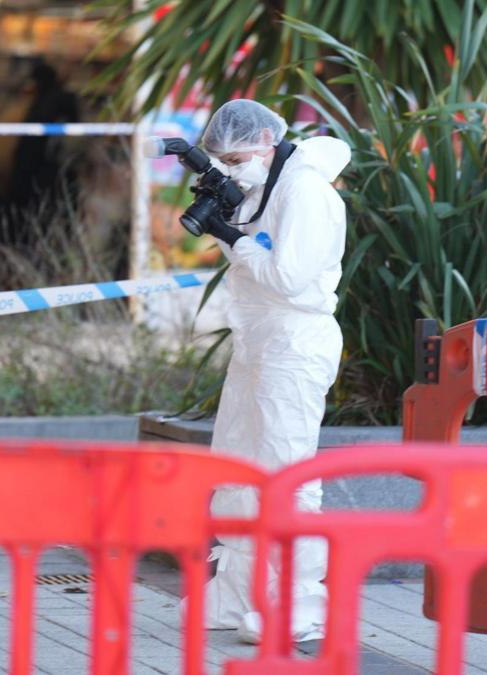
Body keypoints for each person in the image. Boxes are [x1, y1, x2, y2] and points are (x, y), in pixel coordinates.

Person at [196, 99, 351, 643]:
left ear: (266, 140)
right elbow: (252, 262)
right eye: (225, 162)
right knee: (239, 465)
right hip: (258, 339)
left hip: (296, 342)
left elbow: (286, 277)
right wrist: (225, 221)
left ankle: (299, 605)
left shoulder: (304, 190)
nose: (235, 170)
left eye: (237, 160)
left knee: (288, 474)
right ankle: (240, 593)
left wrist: (234, 237)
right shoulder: (267, 185)